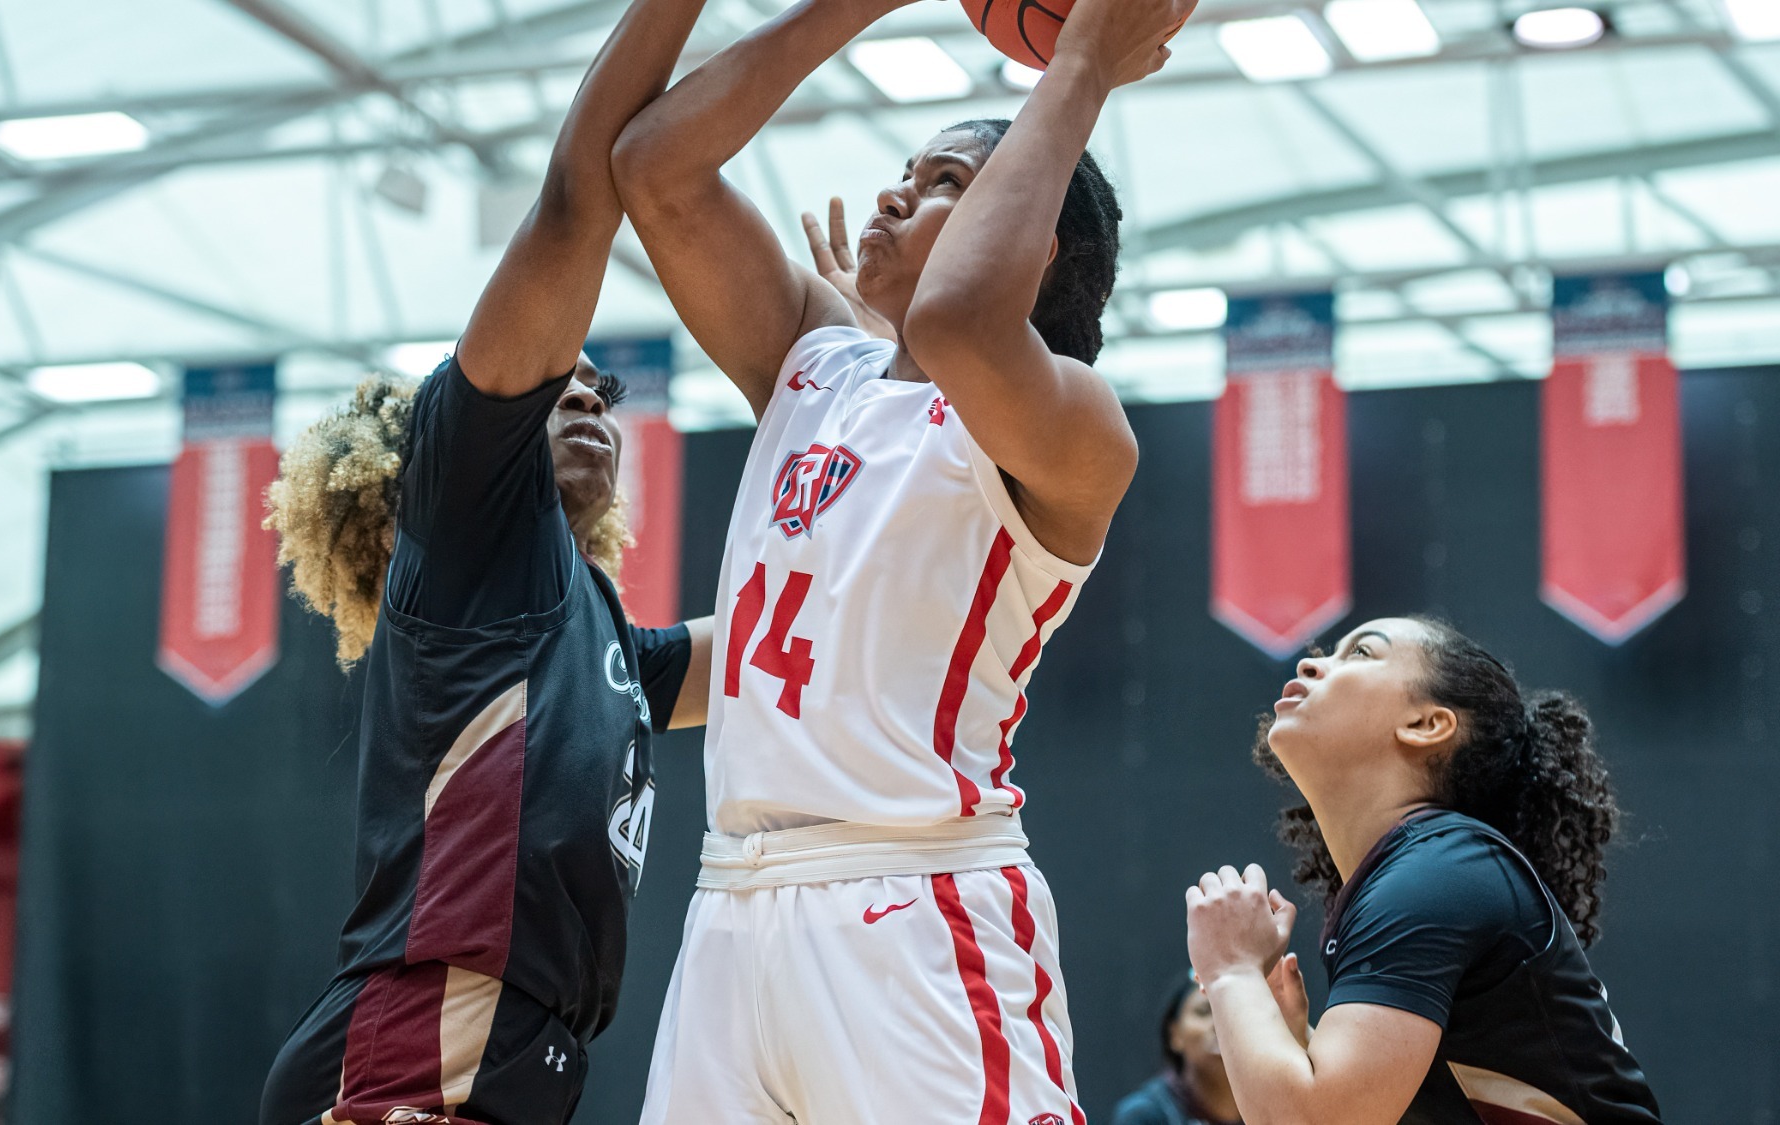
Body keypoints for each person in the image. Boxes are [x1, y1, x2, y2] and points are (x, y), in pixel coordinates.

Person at [608, 0, 1187, 1118]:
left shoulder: (1072, 424)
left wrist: (1078, 70)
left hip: (911, 898)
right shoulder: (815, 367)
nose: (891, 194)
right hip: (729, 898)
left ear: (1030, 242)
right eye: (903, 170)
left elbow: (970, 318)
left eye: (943, 187)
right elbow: (655, 168)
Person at [255, 0, 713, 1121]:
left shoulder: (591, 633)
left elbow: (789, 639)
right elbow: (572, 202)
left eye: (606, 388)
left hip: (502, 1043)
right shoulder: (461, 529)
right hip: (427, 1031)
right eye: (564, 377)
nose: (590, 393)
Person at [1183, 616, 1662, 1125]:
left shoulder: (1437, 872)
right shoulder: (1426, 870)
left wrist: (1232, 970)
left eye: (1361, 653)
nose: (1309, 661)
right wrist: (1289, 1042)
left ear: (1425, 724)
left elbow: (1318, 1120)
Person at [1111, 972, 1247, 1125]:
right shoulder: (1144, 1115)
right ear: (1174, 1035)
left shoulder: (1271, 1104)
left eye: (1232, 1012)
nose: (1219, 1024)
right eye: (1203, 1012)